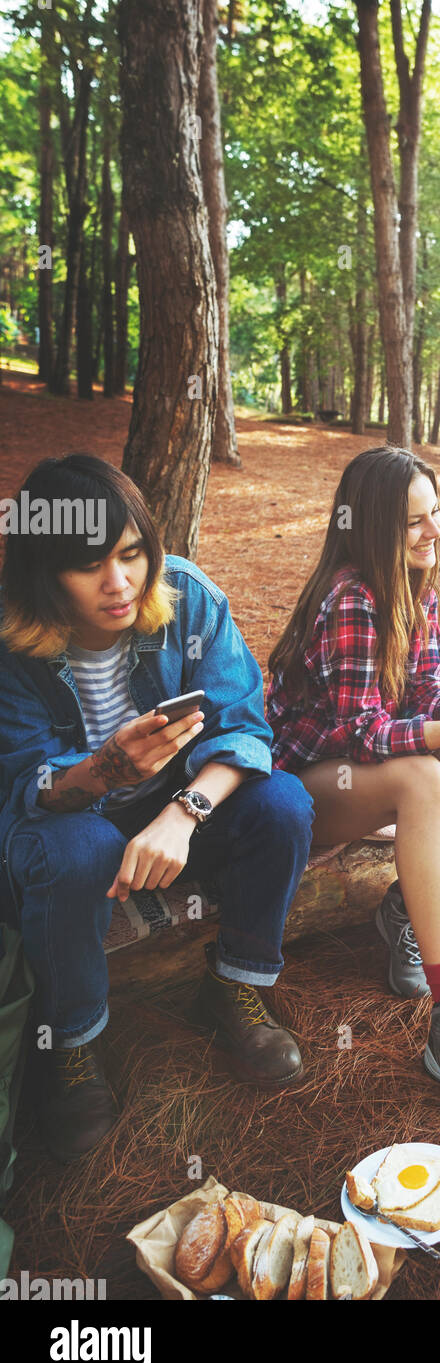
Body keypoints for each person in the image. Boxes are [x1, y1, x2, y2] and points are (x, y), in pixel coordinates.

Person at [0, 455, 314, 1163]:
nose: (119, 584)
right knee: (77, 848)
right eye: (88, 566)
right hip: (69, 822)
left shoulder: (188, 599)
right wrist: (104, 769)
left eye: (132, 554)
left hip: (176, 808)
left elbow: (243, 727)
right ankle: (72, 1047)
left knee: (284, 804)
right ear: (44, 573)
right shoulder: (11, 640)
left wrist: (185, 809)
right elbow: (23, 785)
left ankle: (235, 987)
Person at [266, 446, 440, 1130]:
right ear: (370, 531)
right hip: (304, 785)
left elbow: (424, 692)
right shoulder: (352, 597)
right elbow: (363, 734)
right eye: (415, 522)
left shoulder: (413, 585)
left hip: (359, 768)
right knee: (427, 774)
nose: (435, 530)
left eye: (436, 512)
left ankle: (402, 913)